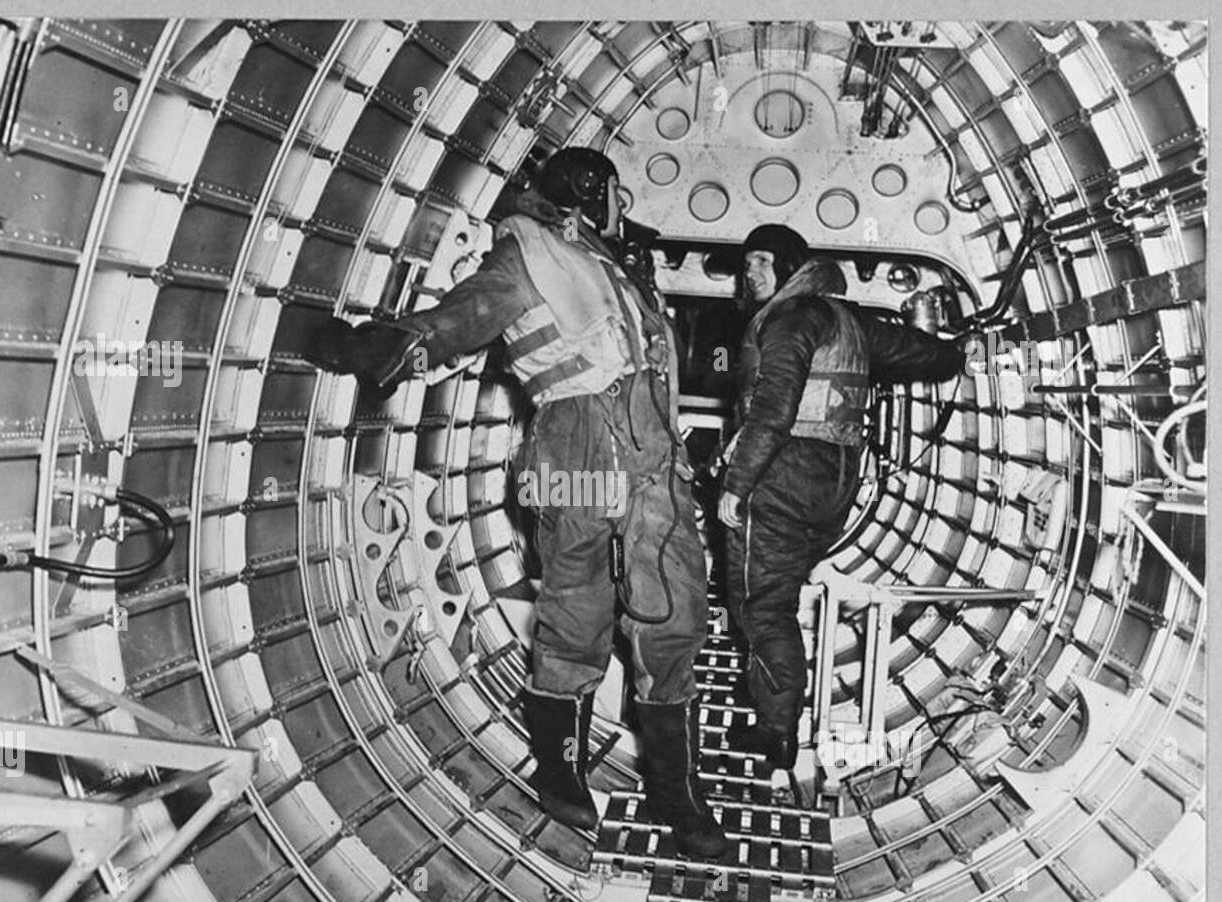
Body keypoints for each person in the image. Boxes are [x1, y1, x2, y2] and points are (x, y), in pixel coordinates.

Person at [305, 148, 727, 861]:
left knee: (674, 613)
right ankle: (561, 775)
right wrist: (373, 348)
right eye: (613, 193)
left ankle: (675, 793)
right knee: (576, 613)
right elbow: (460, 318)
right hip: (574, 453)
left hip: (651, 462)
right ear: (590, 193)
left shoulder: (611, 268)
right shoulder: (527, 254)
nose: (621, 207)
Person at [716, 224, 965, 779]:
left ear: (789, 267)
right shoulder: (846, 320)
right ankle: (769, 696)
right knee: (777, 597)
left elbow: (774, 410)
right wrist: (959, 351)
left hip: (781, 476)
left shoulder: (788, 318)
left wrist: (736, 484)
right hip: (836, 481)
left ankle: (776, 731)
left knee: (761, 607)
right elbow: (925, 354)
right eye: (747, 263)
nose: (750, 273)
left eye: (762, 262)